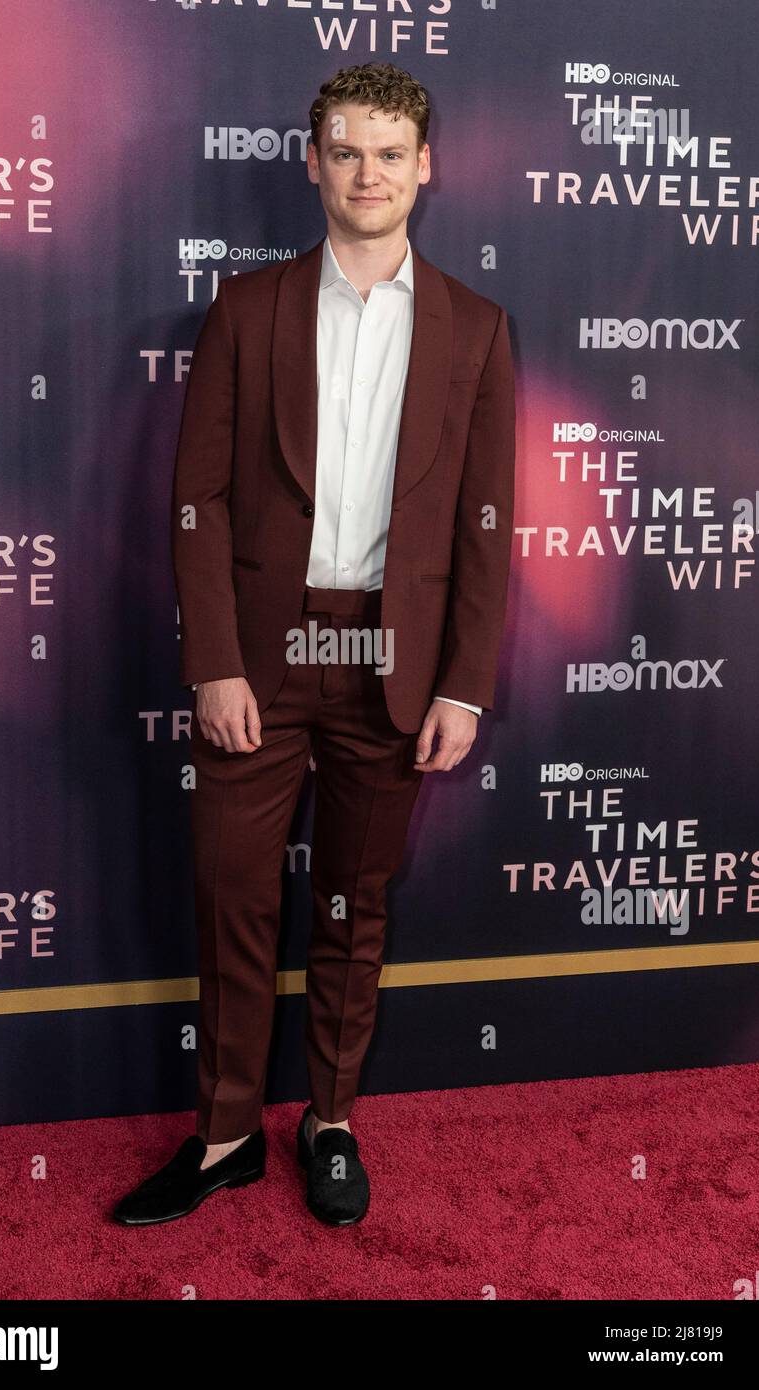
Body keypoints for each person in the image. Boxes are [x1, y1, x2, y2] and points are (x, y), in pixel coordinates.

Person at [114, 60, 515, 1229]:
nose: (366, 174)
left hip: (395, 667)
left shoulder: (477, 329)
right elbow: (197, 499)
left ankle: (328, 1121)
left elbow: (483, 525)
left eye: (389, 153)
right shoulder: (246, 310)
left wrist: (464, 686)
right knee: (232, 894)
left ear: (423, 166)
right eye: (345, 152)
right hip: (259, 658)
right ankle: (225, 1134)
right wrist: (213, 661)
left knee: (351, 903)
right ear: (312, 164)